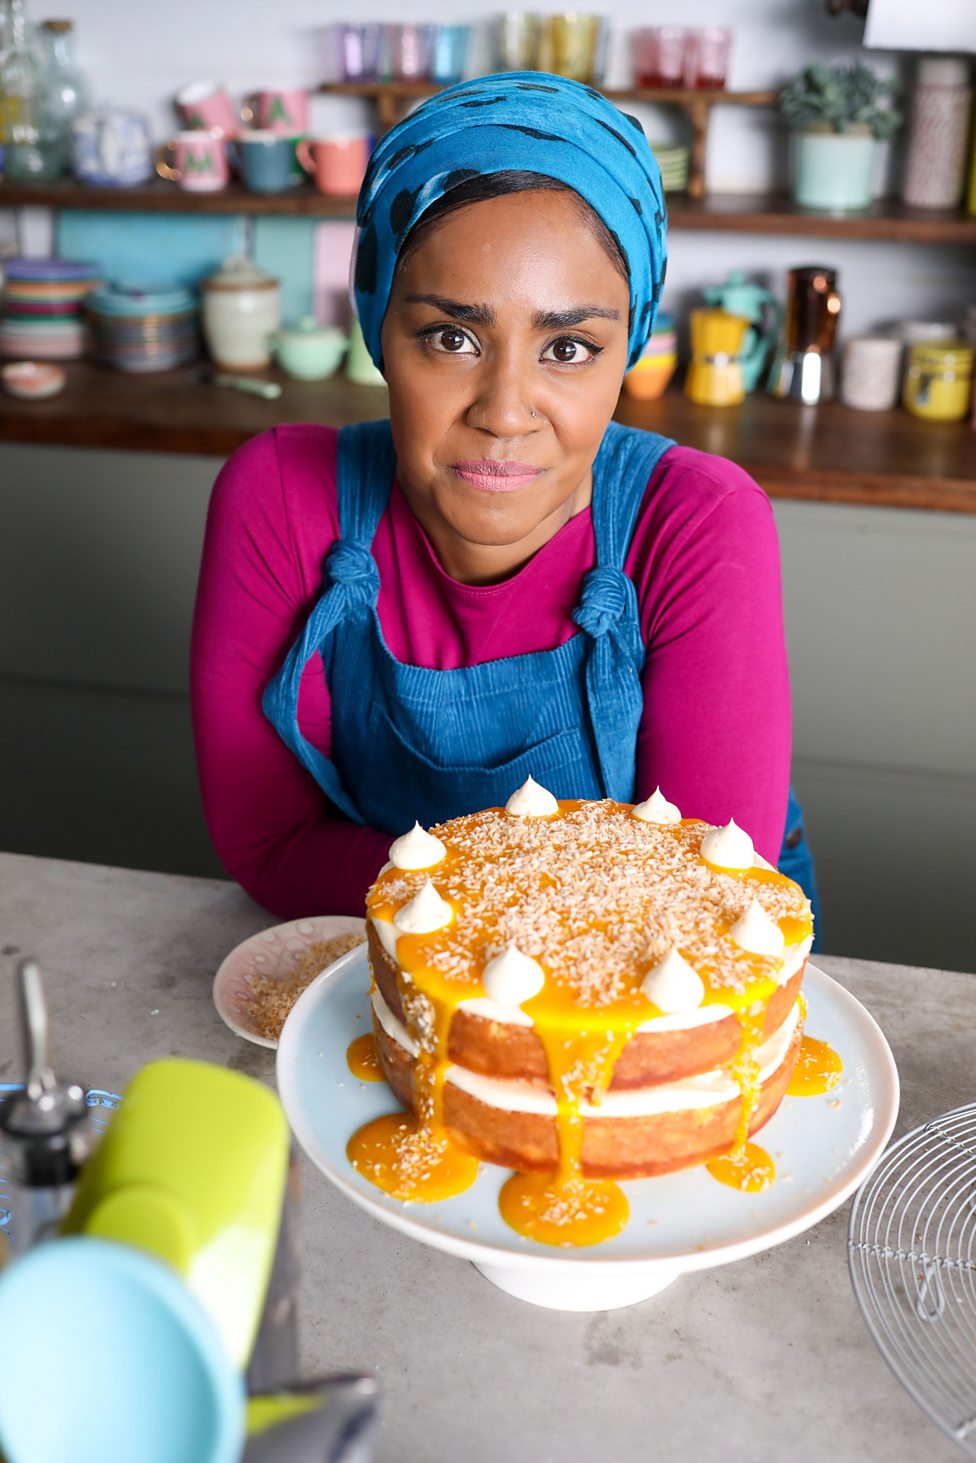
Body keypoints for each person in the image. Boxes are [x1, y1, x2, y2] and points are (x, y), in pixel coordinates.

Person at [191, 72, 819, 927]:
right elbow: (271, 847)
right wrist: (523, 911)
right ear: (379, 330)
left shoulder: (696, 525)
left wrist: (433, 899)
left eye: (569, 347)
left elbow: (705, 900)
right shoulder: (282, 499)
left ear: (629, 349)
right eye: (451, 337)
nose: (505, 411)